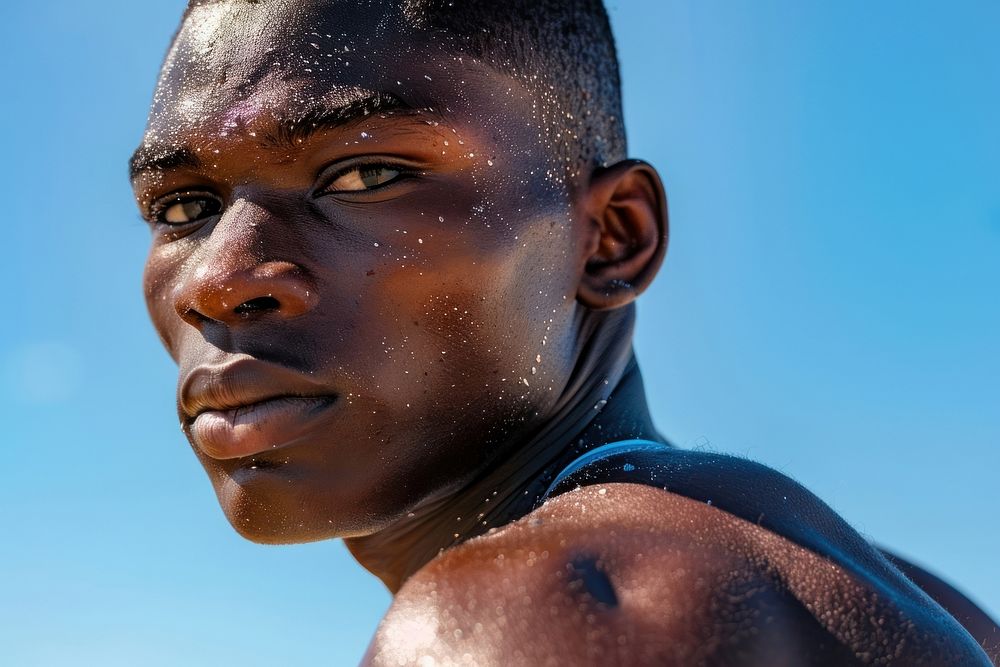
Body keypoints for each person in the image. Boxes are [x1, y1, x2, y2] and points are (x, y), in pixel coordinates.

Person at [129, 1, 998, 664]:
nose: (217, 279)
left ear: (612, 237)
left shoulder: (539, 616)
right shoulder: (916, 603)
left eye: (364, 174)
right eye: (182, 207)